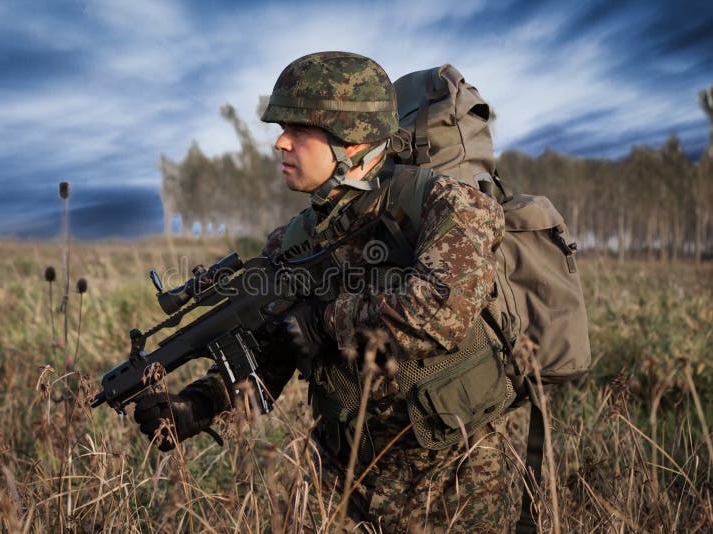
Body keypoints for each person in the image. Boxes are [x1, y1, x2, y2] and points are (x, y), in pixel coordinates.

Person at [134, 51, 516, 532]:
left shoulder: (448, 204)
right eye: (280, 129)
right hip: (342, 471)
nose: (280, 142)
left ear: (351, 140)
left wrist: (324, 320)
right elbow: (269, 353)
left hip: (451, 470)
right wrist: (200, 404)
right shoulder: (294, 241)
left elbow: (440, 308)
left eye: (297, 130)